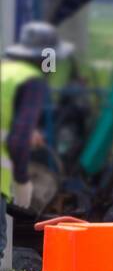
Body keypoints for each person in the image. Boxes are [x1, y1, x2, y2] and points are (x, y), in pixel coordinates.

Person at [2, 22, 70, 257]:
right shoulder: (32, 82)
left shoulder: (5, 73)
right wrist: (21, 181)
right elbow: (16, 140)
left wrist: (26, 131)